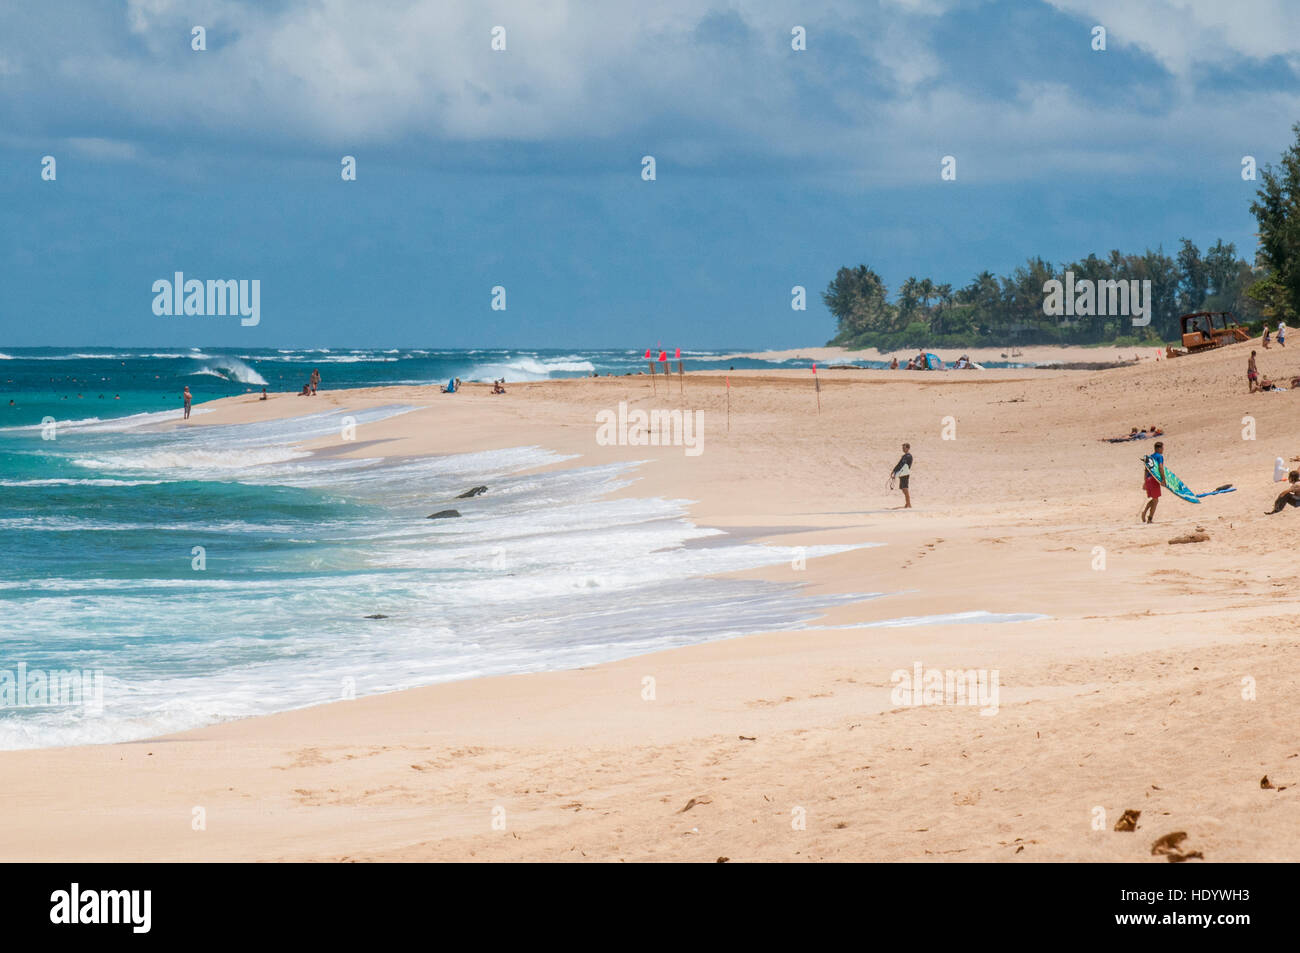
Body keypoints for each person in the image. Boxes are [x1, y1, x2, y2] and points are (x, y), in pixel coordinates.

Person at [1141, 441, 1166, 523]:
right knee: (1156, 501)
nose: (1163, 449)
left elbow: (1146, 470)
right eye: (1162, 448)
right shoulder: (1160, 456)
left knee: (1154, 499)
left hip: (1148, 479)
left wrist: (1145, 482)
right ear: (1159, 448)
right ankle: (1149, 519)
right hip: (1154, 479)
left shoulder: (1150, 457)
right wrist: (1163, 479)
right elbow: (1161, 468)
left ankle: (1145, 513)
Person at [891, 443, 913, 509]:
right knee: (903, 489)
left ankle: (909, 504)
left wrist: (896, 472)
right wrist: (894, 471)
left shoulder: (908, 456)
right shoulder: (904, 456)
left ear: (908, 448)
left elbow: (902, 465)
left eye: (904, 448)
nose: (903, 449)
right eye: (902, 448)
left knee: (905, 489)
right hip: (902, 474)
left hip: (905, 474)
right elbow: (899, 464)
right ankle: (907, 503)